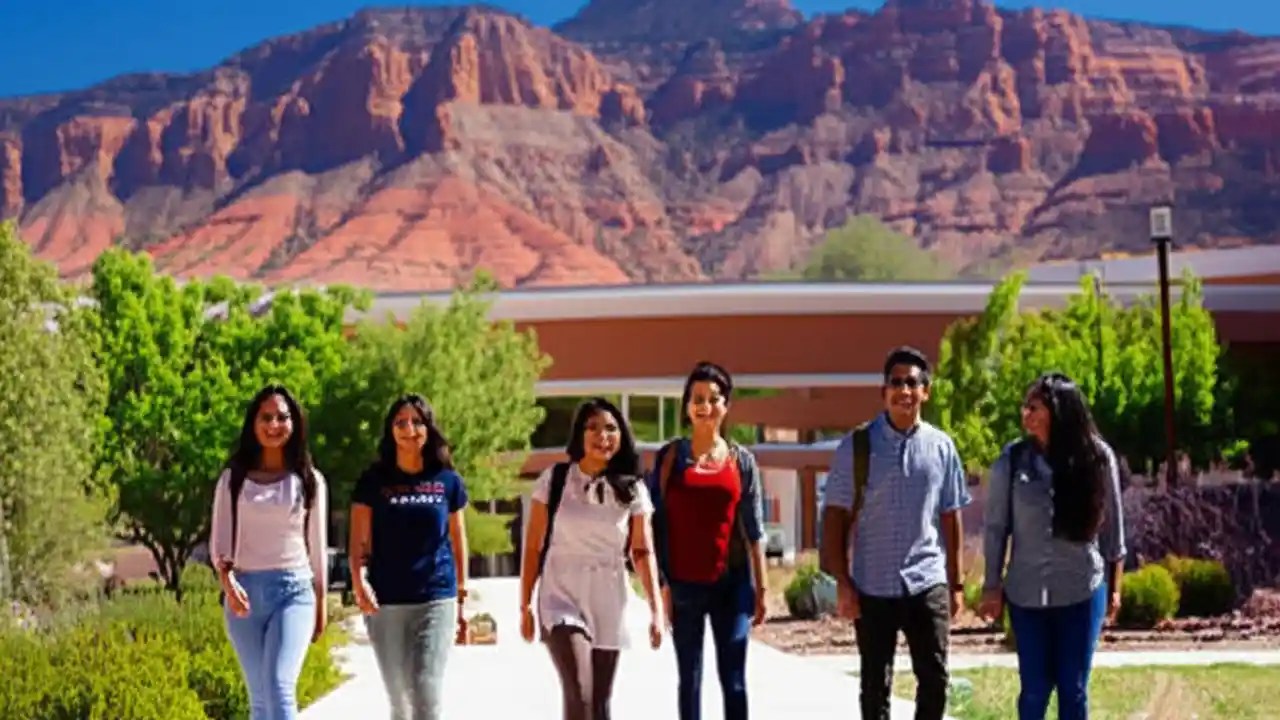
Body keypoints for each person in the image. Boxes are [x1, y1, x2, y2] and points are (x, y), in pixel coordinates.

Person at [819, 346, 971, 720]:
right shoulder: (857, 447)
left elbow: (951, 517)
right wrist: (842, 582)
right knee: (875, 685)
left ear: (926, 391)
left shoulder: (941, 447)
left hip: (926, 580)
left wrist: (955, 585)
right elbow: (834, 517)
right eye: (896, 382)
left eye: (912, 383)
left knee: (934, 678)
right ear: (883, 391)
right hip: (872, 583)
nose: (904, 390)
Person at [978, 372, 1126, 720]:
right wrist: (991, 586)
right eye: (1024, 406)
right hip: (1026, 595)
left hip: (1082, 591)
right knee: (1034, 690)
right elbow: (997, 528)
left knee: (1073, 689)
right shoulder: (1011, 461)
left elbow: (1114, 529)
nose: (1025, 413)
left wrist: (1115, 589)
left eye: (1034, 406)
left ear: (1057, 411)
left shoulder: (1096, 458)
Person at [518, 397, 664, 720]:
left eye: (611, 428)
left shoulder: (633, 490)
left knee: (599, 704)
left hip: (608, 597)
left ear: (622, 436)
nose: (603, 435)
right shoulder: (554, 480)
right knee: (580, 691)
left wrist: (657, 610)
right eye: (593, 427)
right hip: (560, 596)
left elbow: (642, 551)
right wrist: (525, 604)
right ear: (580, 435)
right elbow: (533, 547)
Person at [650, 361, 768, 720]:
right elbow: (653, 526)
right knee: (690, 679)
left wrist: (761, 588)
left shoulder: (741, 461)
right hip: (683, 587)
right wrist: (661, 589)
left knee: (734, 680)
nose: (706, 406)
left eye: (714, 399)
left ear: (726, 406)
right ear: (687, 407)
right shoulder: (670, 459)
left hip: (731, 585)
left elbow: (754, 529)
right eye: (698, 399)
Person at [209, 384, 329, 720]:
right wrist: (227, 584)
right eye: (266, 417)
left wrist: (321, 604)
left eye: (282, 417)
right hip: (244, 598)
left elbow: (317, 548)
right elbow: (220, 542)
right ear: (253, 423)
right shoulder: (233, 480)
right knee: (259, 699)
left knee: (279, 686)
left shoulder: (309, 480)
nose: (274, 425)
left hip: (294, 593)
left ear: (295, 424)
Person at [348, 394, 470, 720]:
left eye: (417, 422)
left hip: (436, 596)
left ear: (428, 429)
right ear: (390, 431)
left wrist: (461, 598)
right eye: (400, 423)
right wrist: (360, 582)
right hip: (386, 601)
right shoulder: (373, 481)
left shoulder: (447, 481)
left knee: (426, 692)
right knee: (401, 702)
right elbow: (359, 541)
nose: (409, 429)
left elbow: (458, 541)